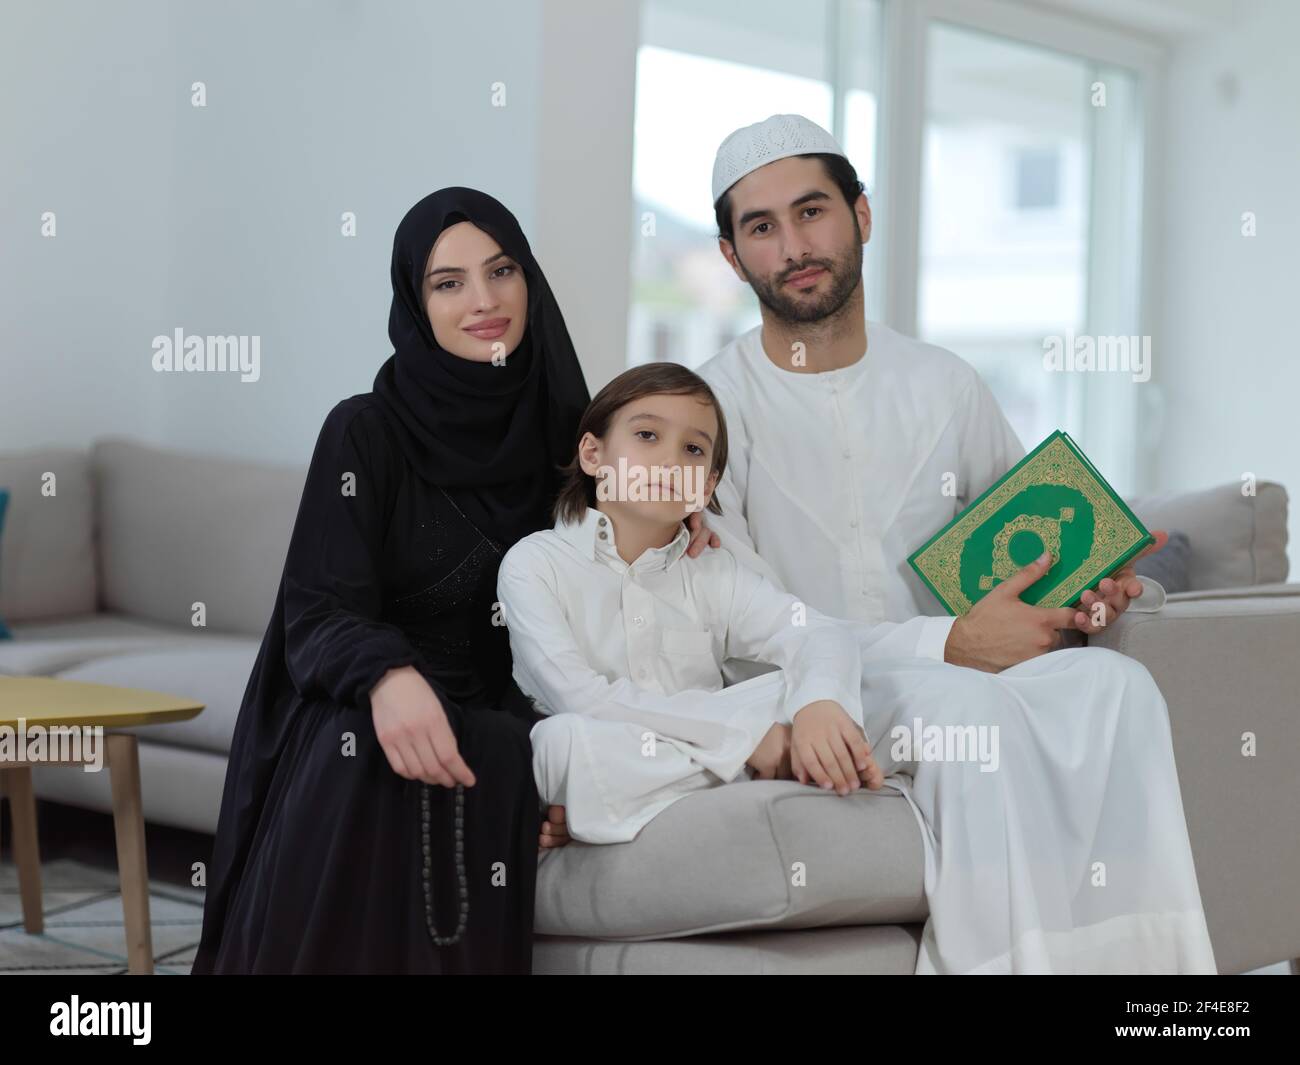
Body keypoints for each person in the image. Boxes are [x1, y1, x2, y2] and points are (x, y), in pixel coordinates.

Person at [498, 362, 1218, 974]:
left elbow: (816, 634)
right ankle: (716, 762)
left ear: (708, 482)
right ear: (594, 454)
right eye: (647, 437)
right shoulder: (535, 565)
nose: (667, 461)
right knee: (564, 744)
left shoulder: (709, 567)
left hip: (714, 733)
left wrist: (813, 706)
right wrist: (746, 734)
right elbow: (579, 696)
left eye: (693, 451)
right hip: (614, 736)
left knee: (1114, 683)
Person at [191, 187, 594, 974]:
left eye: (501, 270)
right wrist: (387, 673)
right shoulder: (364, 431)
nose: (482, 300)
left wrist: (687, 521)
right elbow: (317, 608)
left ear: (528, 281)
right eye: (448, 283)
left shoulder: (577, 439)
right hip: (366, 705)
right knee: (368, 747)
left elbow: (620, 578)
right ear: (416, 302)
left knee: (496, 749)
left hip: (504, 727)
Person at [695, 113, 1167, 681]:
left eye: (811, 212)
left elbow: (1035, 555)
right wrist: (946, 645)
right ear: (733, 258)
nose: (795, 248)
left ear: (861, 216)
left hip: (963, 695)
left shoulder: (946, 385)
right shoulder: (703, 413)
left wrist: (1084, 596)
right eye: (762, 228)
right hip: (796, 704)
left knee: (1118, 683)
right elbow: (739, 626)